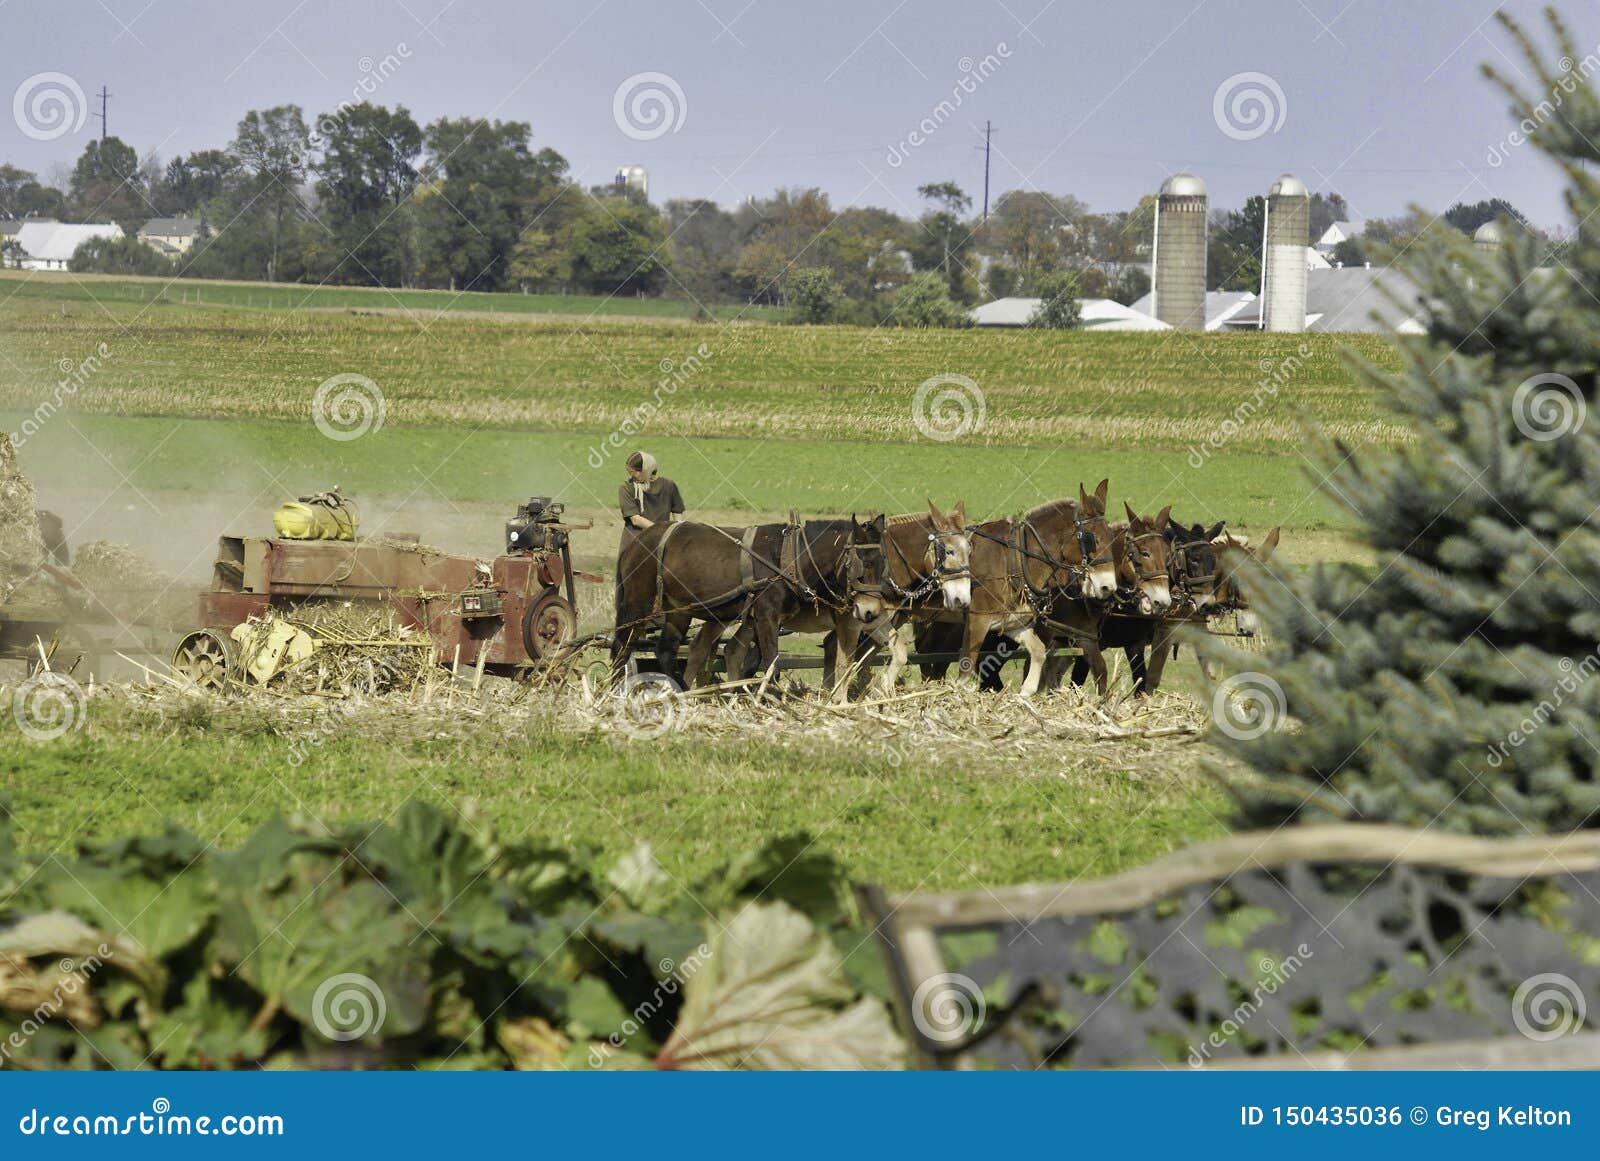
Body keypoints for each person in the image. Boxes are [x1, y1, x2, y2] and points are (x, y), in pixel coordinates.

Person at [618, 451, 684, 535]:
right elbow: (635, 519)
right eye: (629, 472)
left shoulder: (669, 485)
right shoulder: (627, 487)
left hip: (660, 540)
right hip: (635, 541)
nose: (630, 476)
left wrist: (676, 532)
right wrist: (662, 531)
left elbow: (677, 513)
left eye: (633, 472)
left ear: (645, 470)